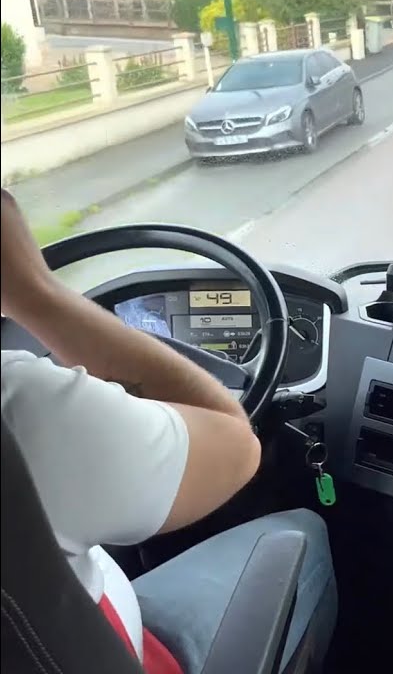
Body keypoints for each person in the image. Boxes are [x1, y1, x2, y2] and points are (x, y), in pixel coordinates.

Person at [0, 189, 337, 674]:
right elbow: (236, 444)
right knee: (300, 530)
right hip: (124, 653)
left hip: (65, 623)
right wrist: (36, 294)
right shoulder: (22, 405)